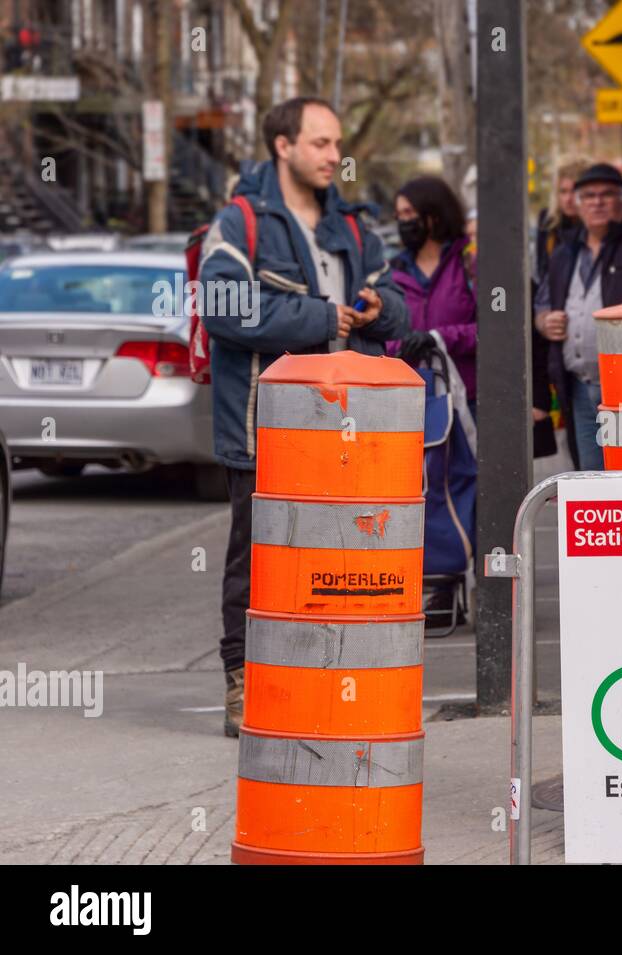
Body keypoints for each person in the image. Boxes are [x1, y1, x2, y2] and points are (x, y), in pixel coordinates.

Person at [199, 96, 409, 738]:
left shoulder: (351, 225)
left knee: (337, 561)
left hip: (348, 432)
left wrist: (382, 308)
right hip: (267, 433)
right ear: (283, 146)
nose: (333, 156)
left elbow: (399, 304)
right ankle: (245, 686)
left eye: (336, 143)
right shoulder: (240, 223)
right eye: (320, 143)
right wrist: (321, 318)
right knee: (257, 560)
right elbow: (223, 306)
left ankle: (328, 681)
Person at [534, 162, 622, 470]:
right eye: (589, 195)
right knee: (591, 479)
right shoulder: (564, 253)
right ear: (577, 205)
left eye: (607, 194)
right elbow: (541, 304)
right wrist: (544, 321)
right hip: (578, 387)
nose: (597, 201)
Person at [387, 175, 477, 413]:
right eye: (399, 215)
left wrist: (437, 339)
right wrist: (400, 346)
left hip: (468, 401)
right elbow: (378, 335)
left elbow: (492, 332)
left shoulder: (470, 261)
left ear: (434, 214)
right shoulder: (392, 271)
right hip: (409, 401)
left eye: (409, 212)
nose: (403, 222)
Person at [534, 157, 587, 284]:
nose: (568, 199)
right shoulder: (548, 221)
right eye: (563, 191)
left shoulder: (595, 226)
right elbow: (542, 268)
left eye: (574, 191)